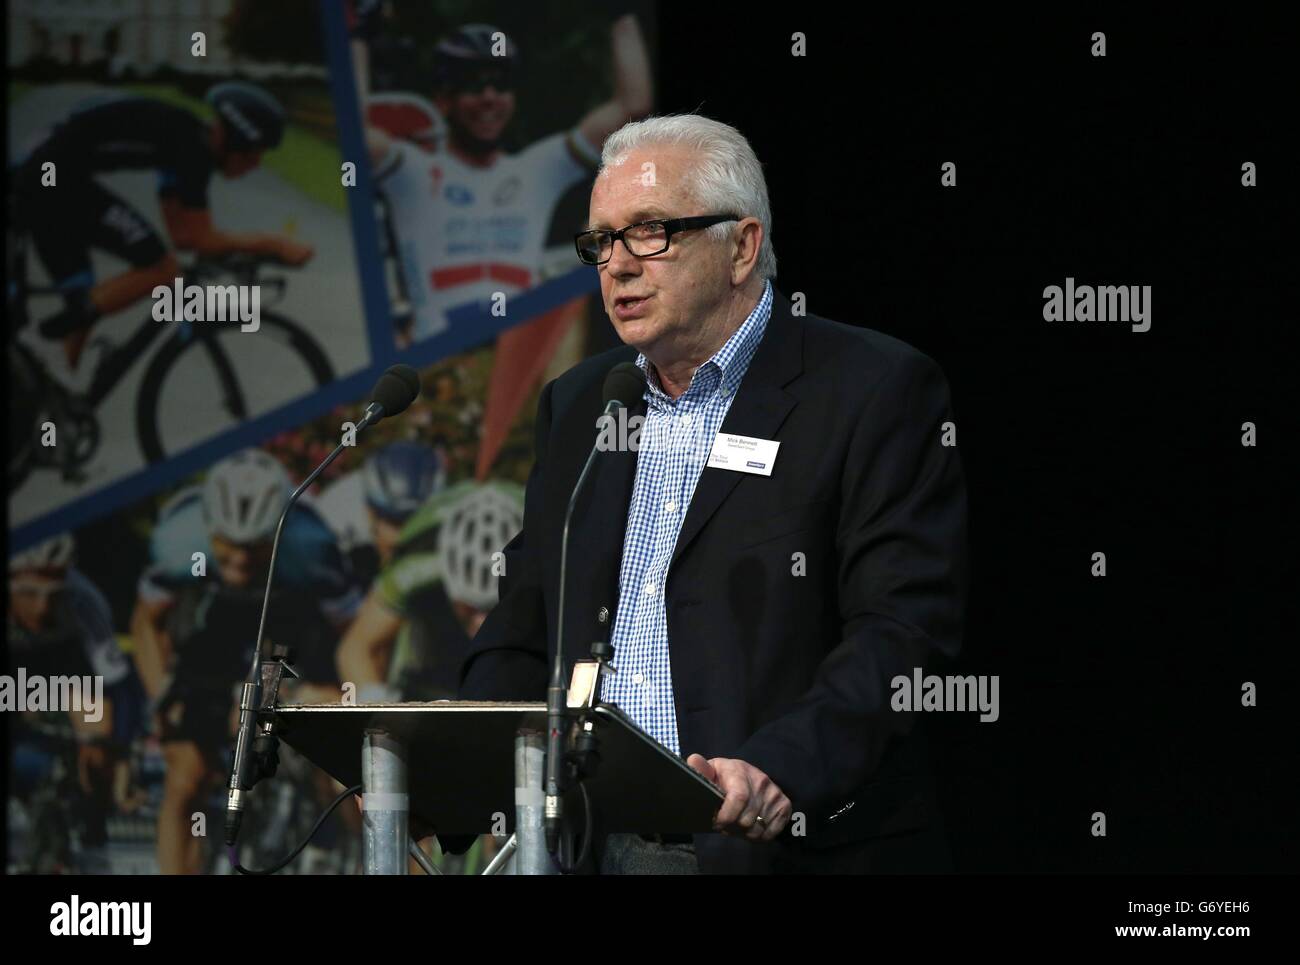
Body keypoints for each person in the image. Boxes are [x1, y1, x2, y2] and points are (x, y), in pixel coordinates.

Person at [452, 114, 969, 874]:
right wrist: (447, 761)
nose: (617, 266)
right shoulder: (583, 402)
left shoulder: (870, 389)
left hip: (784, 847)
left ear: (742, 247)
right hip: (594, 849)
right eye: (601, 241)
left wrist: (780, 769)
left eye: (650, 231)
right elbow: (527, 613)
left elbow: (903, 632)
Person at [352, 15, 652, 342]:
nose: (490, 97)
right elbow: (355, 133)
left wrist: (619, 15)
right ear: (444, 101)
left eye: (501, 84)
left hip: (515, 351)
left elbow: (632, 105)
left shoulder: (537, 169)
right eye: (473, 85)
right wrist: (355, 33)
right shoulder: (413, 171)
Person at [129, 449, 360, 874]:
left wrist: (343, 701)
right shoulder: (180, 540)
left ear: (278, 533)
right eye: (227, 544)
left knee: (339, 767)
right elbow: (147, 624)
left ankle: (363, 852)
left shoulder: (311, 546)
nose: (238, 558)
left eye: (254, 547)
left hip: (292, 629)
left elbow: (352, 635)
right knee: (185, 780)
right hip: (211, 635)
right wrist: (160, 695)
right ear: (208, 528)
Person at [9, 81, 313, 385]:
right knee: (161, 268)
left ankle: (50, 405)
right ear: (234, 140)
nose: (255, 166)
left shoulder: (184, 139)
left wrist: (240, 248)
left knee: (84, 299)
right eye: (253, 154)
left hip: (42, 179)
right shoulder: (193, 149)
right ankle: (45, 337)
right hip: (51, 183)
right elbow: (199, 239)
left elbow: (182, 236)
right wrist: (273, 243)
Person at [7, 533, 137, 873]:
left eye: (54, 592)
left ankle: (91, 839)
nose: (42, 606)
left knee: (99, 738)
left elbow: (120, 687)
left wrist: (118, 753)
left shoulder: (82, 598)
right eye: (29, 592)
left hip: (62, 669)